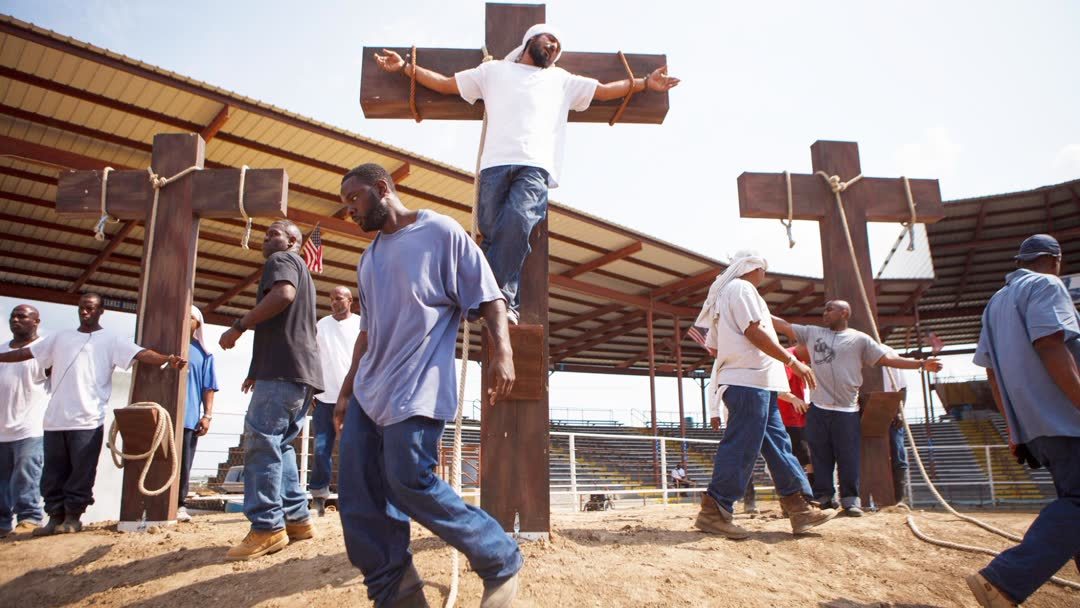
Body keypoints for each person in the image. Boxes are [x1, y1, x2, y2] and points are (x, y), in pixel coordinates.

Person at [374, 25, 679, 324]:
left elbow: (602, 91)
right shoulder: (493, 71)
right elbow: (445, 84)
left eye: (558, 46)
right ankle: (496, 299)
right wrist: (405, 69)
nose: (554, 47)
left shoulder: (561, 80)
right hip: (494, 164)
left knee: (519, 221)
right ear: (530, 39)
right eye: (550, 39)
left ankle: (495, 299)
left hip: (535, 165)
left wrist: (643, 84)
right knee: (494, 233)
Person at [336, 163, 521, 608]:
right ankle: (394, 588)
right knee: (358, 497)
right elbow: (366, 332)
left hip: (416, 387)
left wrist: (503, 353)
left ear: (382, 189)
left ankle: (500, 561)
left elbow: (489, 294)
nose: (350, 212)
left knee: (409, 482)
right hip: (368, 391)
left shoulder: (440, 232)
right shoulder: (367, 259)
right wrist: (345, 392)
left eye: (355, 199)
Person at [0, 293, 185, 535]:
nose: (85, 312)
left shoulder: (111, 339)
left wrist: (167, 359)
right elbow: (26, 353)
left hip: (87, 420)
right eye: (82, 308)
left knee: (81, 473)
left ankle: (73, 518)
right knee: (53, 474)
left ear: (100, 311)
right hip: (55, 420)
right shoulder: (60, 337)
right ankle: (54, 518)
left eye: (90, 308)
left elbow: (140, 353)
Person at [966, 234, 1080, 607]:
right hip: (1068, 417)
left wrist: (1014, 430)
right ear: (1054, 259)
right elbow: (1050, 343)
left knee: (1074, 507)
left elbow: (992, 375)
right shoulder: (1048, 284)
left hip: (1035, 427)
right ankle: (1004, 580)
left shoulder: (995, 303)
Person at [692, 250, 836, 540]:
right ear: (752, 268)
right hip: (748, 383)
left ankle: (799, 507)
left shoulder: (729, 294)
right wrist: (792, 361)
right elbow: (754, 332)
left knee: (779, 446)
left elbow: (725, 343)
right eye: (764, 269)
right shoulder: (742, 289)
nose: (765, 275)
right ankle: (715, 510)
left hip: (757, 383)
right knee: (742, 446)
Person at [773, 301, 941, 516]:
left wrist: (920, 364)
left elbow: (888, 358)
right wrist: (756, 309)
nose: (824, 313)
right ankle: (824, 497)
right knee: (820, 454)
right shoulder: (813, 333)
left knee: (848, 455)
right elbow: (784, 325)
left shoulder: (860, 339)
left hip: (847, 410)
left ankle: (850, 499)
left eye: (829, 309)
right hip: (818, 408)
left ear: (845, 312)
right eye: (824, 309)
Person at [219, 220, 323, 561]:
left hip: (281, 373)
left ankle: (266, 528)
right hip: (300, 374)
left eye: (274, 234)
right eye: (266, 235)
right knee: (283, 446)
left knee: (262, 443)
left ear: (293, 240)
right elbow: (286, 324)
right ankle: (297, 520)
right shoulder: (303, 270)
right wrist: (254, 371)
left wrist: (238, 326)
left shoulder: (281, 261)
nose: (267, 239)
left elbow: (283, 295)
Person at [311, 286, 362, 516]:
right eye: (331, 298)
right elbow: (313, 356)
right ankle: (319, 497)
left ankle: (354, 496)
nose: (333, 302)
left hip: (354, 398)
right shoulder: (321, 325)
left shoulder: (361, 324)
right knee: (321, 448)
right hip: (325, 397)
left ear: (350, 300)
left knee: (353, 449)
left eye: (338, 298)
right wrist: (312, 389)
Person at [0, 305, 47, 536]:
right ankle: (1, 524)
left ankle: (29, 518)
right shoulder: (1, 351)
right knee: (1, 480)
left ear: (36, 321)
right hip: (1, 429)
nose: (15, 319)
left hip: (30, 427)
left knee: (27, 473)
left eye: (22, 316)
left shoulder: (44, 350)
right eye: (13, 316)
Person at [176, 306, 218, 523]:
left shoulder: (204, 353)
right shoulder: (166, 347)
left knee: (183, 464)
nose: (185, 320)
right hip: (163, 419)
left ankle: (179, 504)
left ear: (198, 324)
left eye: (190, 317)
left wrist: (207, 415)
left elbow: (208, 387)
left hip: (188, 418)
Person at [881, 347, 909, 503]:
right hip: (864, 410)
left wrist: (899, 410)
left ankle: (898, 500)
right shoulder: (854, 350)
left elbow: (902, 387)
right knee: (867, 456)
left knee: (897, 453)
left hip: (890, 409)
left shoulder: (888, 352)